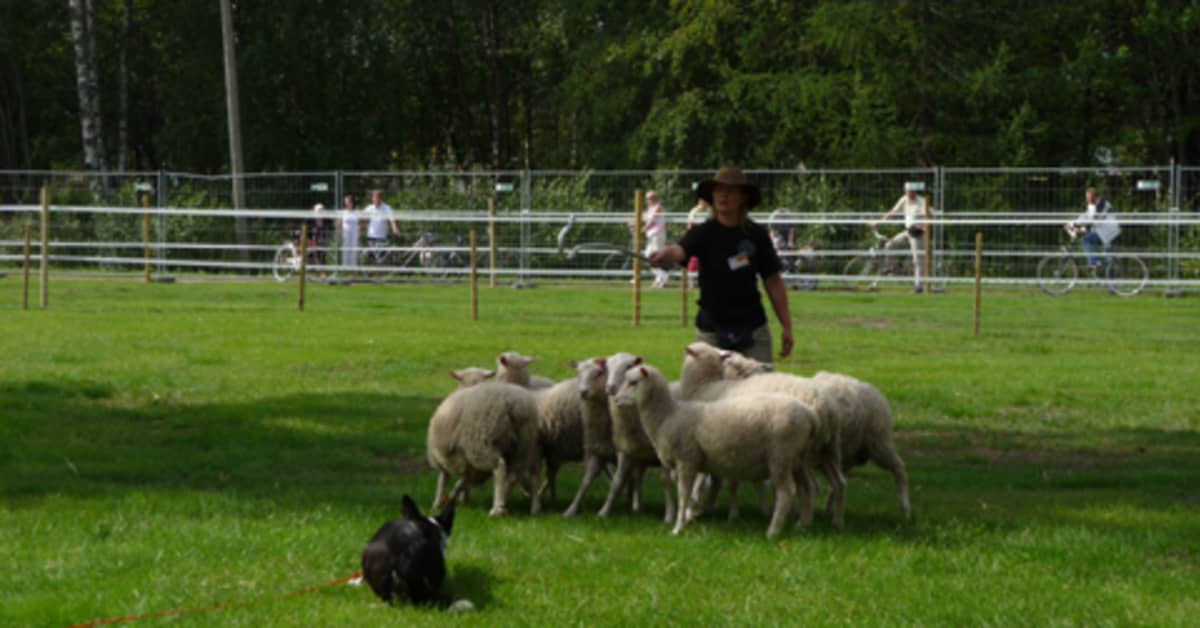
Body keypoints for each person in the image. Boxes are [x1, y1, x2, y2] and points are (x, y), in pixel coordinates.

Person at [649, 167, 793, 363]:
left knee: (759, 389)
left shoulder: (757, 235)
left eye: (731, 190)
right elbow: (679, 250)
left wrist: (787, 327)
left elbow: (773, 281)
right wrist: (665, 253)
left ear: (743, 197)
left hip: (753, 328)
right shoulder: (702, 233)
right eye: (719, 190)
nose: (723, 195)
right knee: (706, 391)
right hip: (711, 330)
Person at [873, 182, 930, 293]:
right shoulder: (903, 200)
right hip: (908, 231)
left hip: (918, 234)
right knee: (889, 245)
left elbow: (932, 215)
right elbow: (893, 212)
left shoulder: (922, 201)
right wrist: (879, 222)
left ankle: (919, 286)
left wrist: (923, 225)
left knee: (917, 260)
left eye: (911, 191)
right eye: (907, 191)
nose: (909, 193)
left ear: (915, 191)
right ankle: (892, 269)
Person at [1065, 187, 1120, 270]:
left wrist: (1080, 230)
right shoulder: (1092, 205)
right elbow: (1085, 216)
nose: (1087, 199)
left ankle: (1095, 262)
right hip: (1102, 231)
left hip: (1109, 231)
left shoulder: (1102, 204)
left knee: (1086, 240)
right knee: (1106, 260)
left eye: (1089, 197)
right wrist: (1072, 223)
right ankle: (1100, 267)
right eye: (1086, 197)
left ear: (1095, 197)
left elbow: (1095, 222)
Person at [642, 190, 670, 288]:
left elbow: (651, 221)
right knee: (647, 256)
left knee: (655, 257)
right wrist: (634, 223)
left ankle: (662, 279)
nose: (647, 200)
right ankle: (661, 277)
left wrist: (643, 229)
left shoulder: (658, 208)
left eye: (649, 198)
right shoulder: (650, 208)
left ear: (654, 198)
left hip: (657, 235)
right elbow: (643, 218)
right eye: (647, 199)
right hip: (652, 236)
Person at [685, 198, 712, 288]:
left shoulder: (710, 211)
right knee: (693, 260)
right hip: (696, 239)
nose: (705, 203)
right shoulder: (694, 211)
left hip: (708, 239)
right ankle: (691, 283)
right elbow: (690, 225)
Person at [363, 190, 400, 254]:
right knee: (372, 256)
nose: (375, 199)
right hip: (371, 236)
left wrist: (395, 228)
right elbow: (362, 219)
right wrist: (359, 229)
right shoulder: (369, 208)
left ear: (381, 199)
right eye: (374, 198)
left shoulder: (387, 208)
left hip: (381, 236)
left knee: (380, 256)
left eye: (377, 198)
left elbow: (392, 219)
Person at [339, 194, 360, 270]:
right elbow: (340, 223)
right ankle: (345, 268)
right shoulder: (343, 212)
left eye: (348, 201)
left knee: (354, 250)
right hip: (345, 234)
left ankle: (353, 269)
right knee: (345, 250)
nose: (346, 203)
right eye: (345, 202)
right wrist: (340, 232)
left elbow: (360, 223)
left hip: (355, 233)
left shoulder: (357, 212)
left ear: (351, 202)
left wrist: (359, 232)